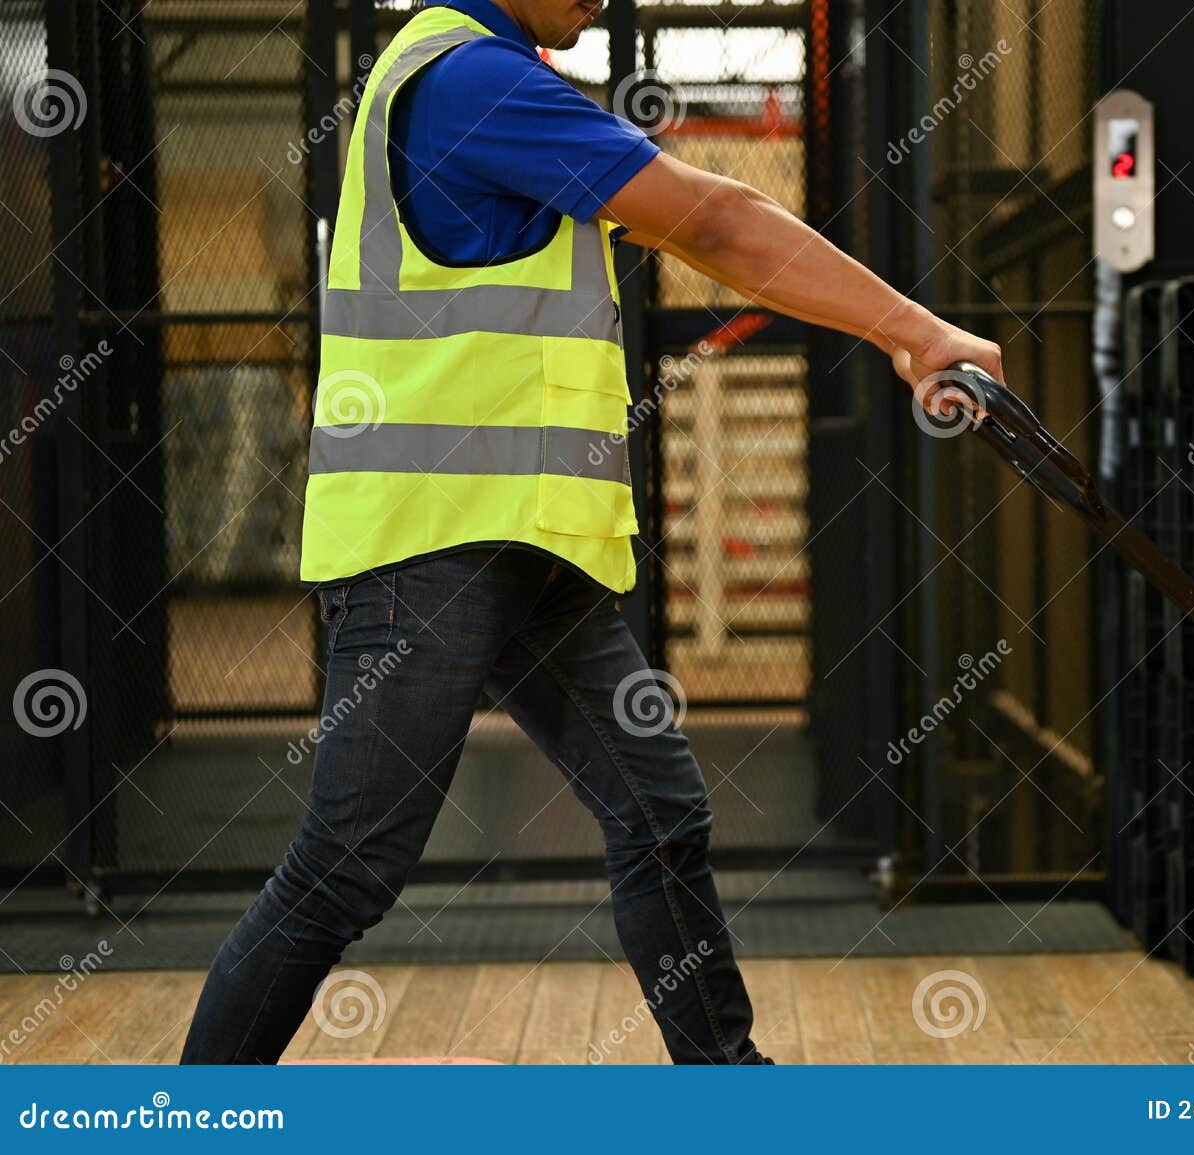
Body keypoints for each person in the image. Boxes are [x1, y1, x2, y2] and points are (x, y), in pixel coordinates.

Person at [181, 0, 1005, 1065]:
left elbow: (703, 237)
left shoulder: (485, 83)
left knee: (659, 815)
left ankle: (729, 1090)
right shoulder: (473, 83)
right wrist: (915, 329)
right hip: (430, 540)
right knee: (346, 866)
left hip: (531, 540)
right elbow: (707, 220)